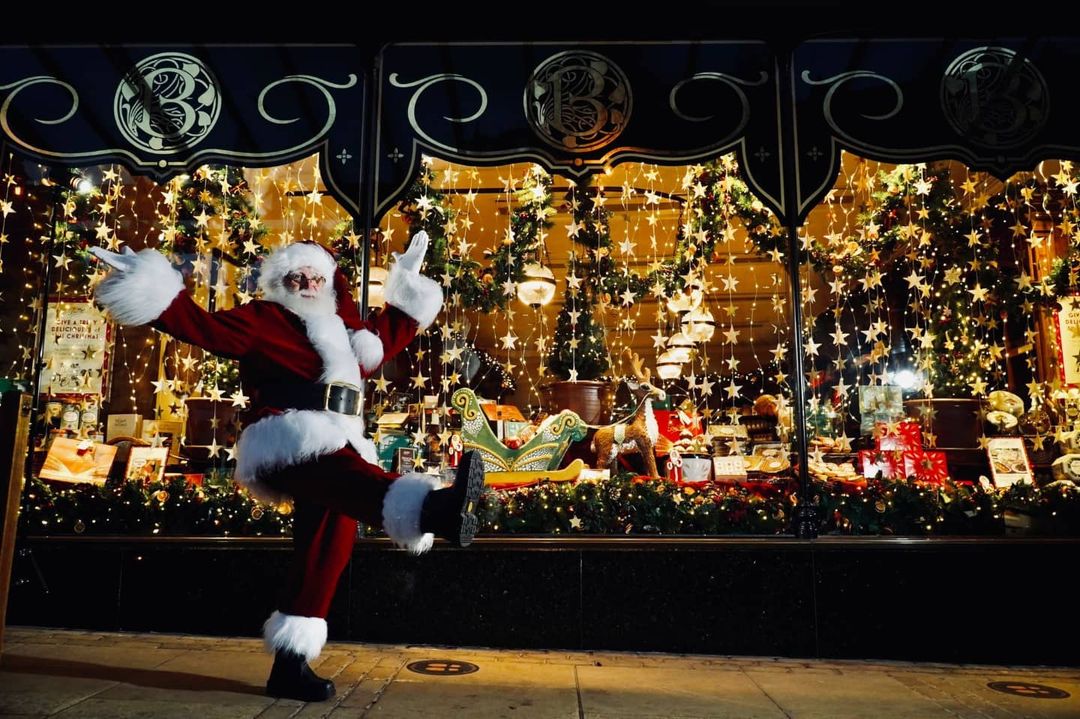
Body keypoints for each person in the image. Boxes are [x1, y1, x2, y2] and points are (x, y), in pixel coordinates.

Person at [90, 231, 484, 702]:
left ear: (329, 281)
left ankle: (291, 664)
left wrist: (408, 287)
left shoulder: (341, 330)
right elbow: (203, 328)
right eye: (295, 275)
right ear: (280, 281)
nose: (306, 282)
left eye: (315, 275)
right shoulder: (263, 319)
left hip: (341, 437)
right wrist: (149, 284)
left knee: (326, 548)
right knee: (340, 473)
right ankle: (435, 511)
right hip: (285, 438)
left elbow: (384, 341)